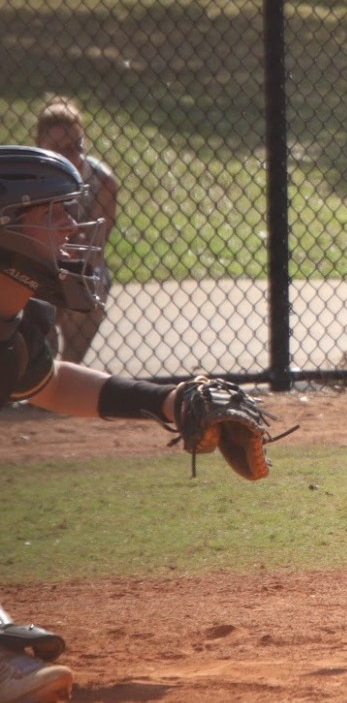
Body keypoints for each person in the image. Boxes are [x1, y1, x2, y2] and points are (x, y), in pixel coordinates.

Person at [1, 145, 281, 703]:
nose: (71, 226)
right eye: (52, 212)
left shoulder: (21, 318)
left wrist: (167, 403)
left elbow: (46, 382)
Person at [32, 98, 118, 365]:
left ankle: (68, 371)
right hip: (38, 262)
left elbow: (94, 247)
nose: (71, 156)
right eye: (59, 149)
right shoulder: (29, 178)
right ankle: (38, 368)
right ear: (40, 147)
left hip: (79, 262)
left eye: (77, 146)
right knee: (37, 317)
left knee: (88, 293)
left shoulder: (101, 181)